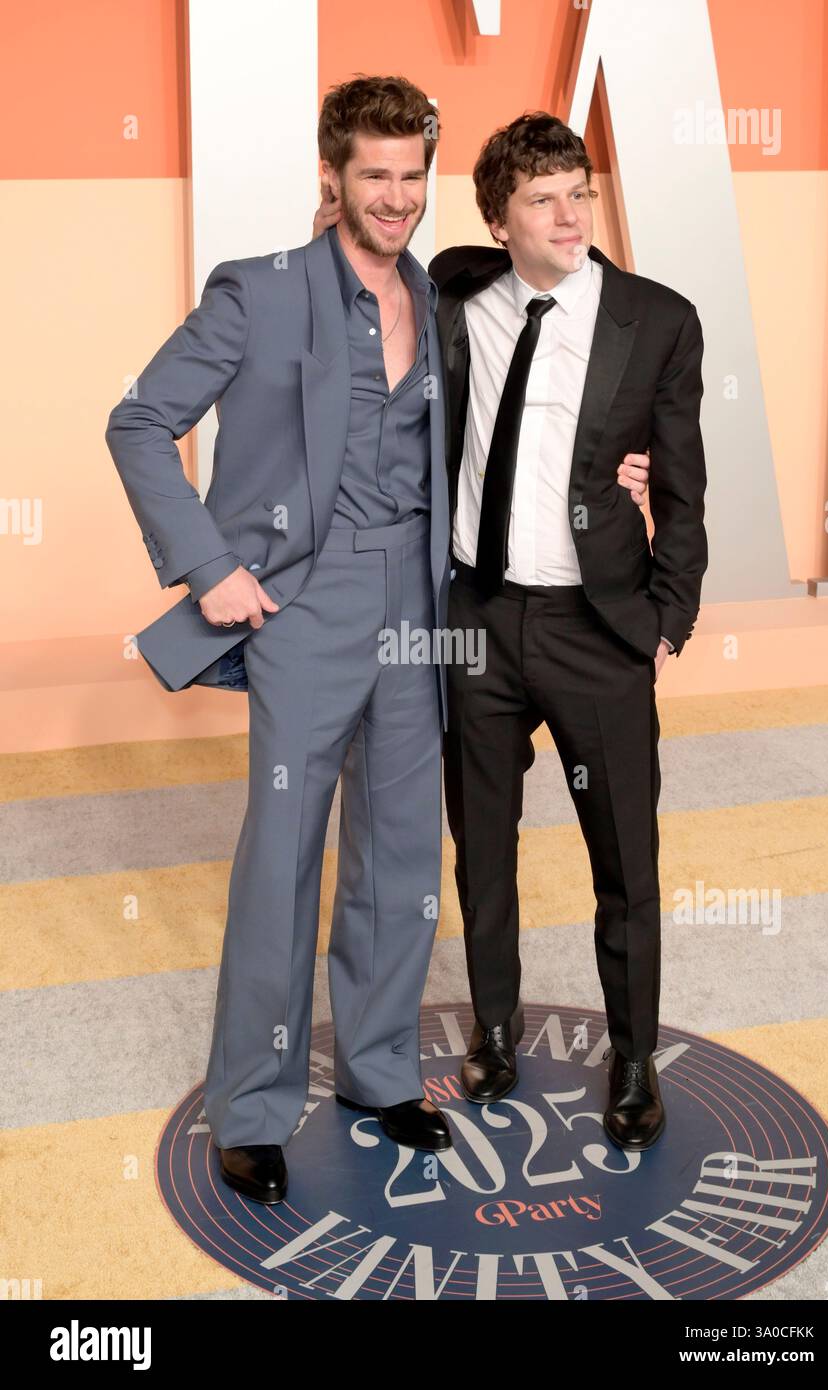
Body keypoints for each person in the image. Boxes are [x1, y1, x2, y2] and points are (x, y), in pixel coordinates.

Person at [314, 110, 708, 1152]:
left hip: (598, 628)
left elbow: (684, 481)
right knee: (480, 848)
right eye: (543, 198)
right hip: (475, 621)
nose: (571, 211)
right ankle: (493, 1030)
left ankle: (632, 1063)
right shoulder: (455, 291)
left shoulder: (657, 319)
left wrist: (671, 613)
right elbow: (369, 267)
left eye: (580, 190)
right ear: (499, 220)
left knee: (626, 861)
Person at [106, 75, 460, 1206]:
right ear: (332, 176)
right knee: (281, 857)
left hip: (416, 600)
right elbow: (141, 420)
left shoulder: (435, 300)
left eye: (412, 176)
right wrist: (209, 566)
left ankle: (379, 1070)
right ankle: (252, 1105)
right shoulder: (259, 294)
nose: (397, 198)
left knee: (402, 853)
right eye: (375, 176)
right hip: (305, 604)